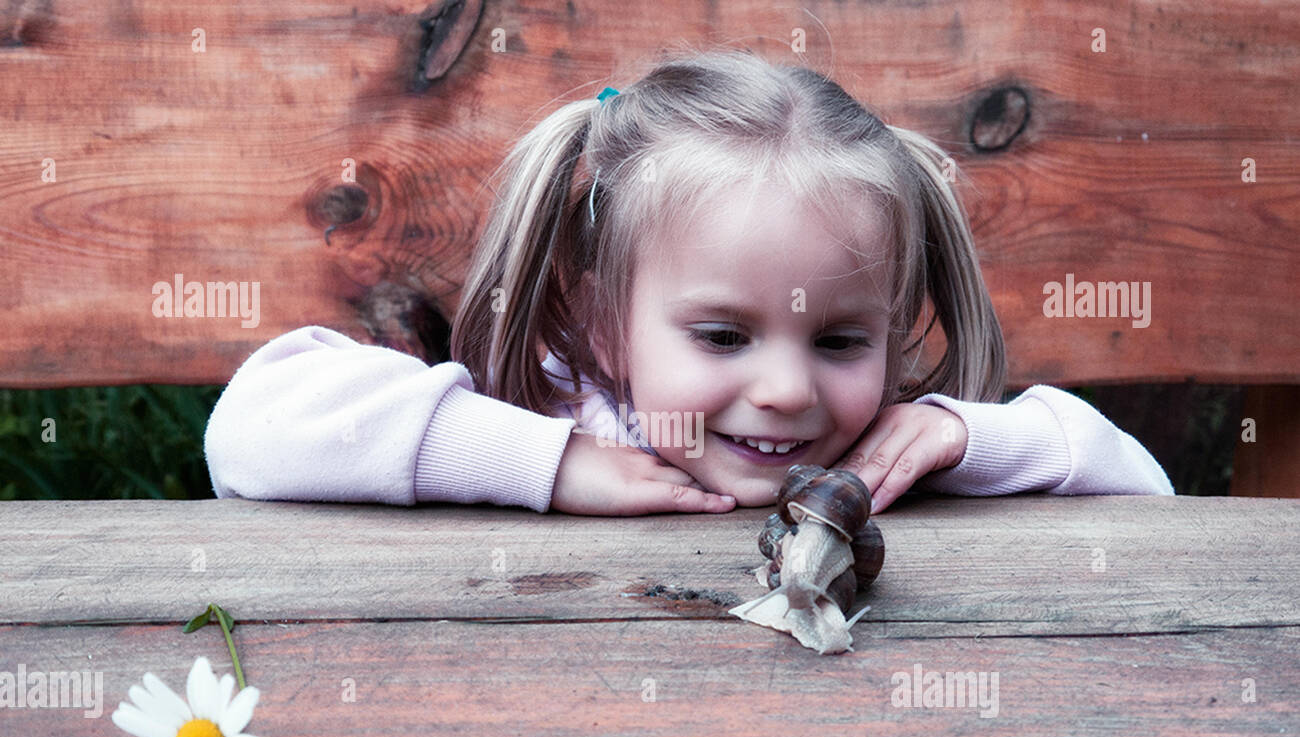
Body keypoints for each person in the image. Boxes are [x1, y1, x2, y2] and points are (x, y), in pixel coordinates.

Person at [204, 48, 1173, 516]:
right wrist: (546, 464)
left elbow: (1149, 498)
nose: (788, 390)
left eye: (840, 339)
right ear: (607, 323)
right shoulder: (558, 411)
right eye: (720, 335)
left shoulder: (889, 452)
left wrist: (972, 432)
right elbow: (251, 430)